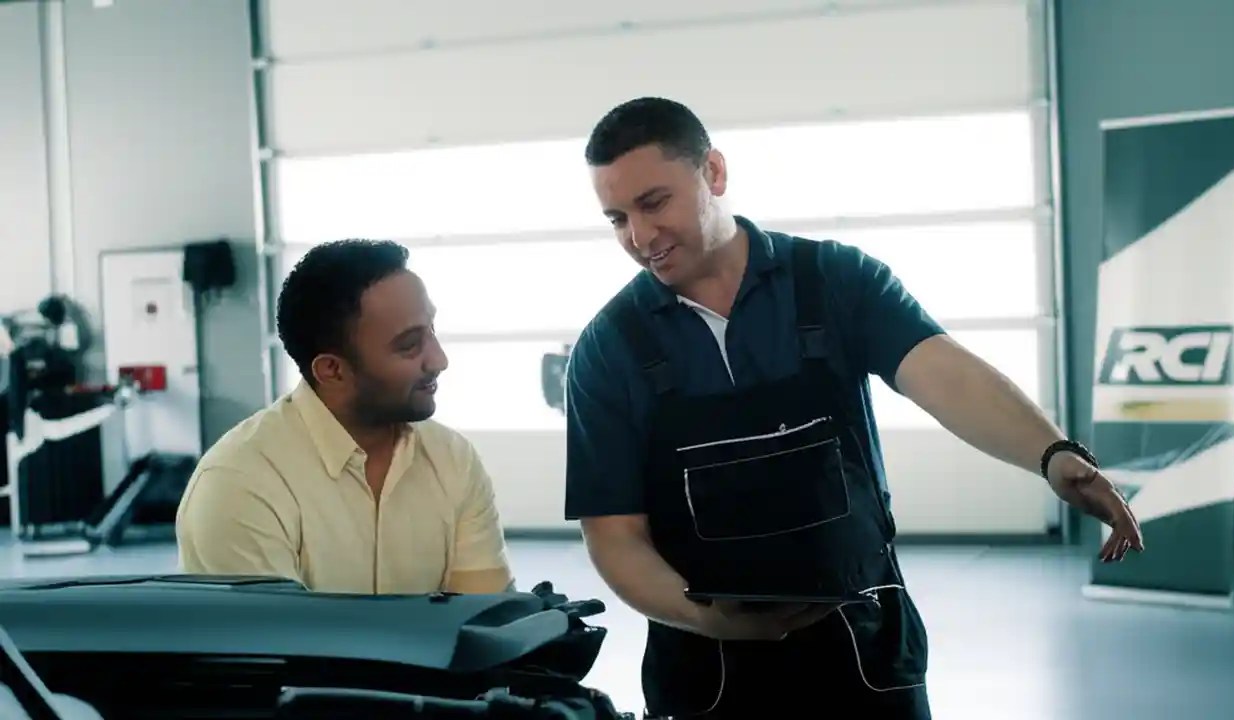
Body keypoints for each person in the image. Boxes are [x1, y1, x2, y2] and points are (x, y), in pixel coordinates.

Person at [563, 97, 1144, 718]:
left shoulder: (833, 280)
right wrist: (709, 619)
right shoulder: (609, 349)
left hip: (864, 652)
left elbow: (946, 374)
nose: (640, 237)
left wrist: (1052, 455)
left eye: (654, 203)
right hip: (709, 672)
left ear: (713, 173)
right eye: (618, 218)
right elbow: (615, 536)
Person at [175, 239, 514, 595]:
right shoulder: (239, 484)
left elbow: (488, 622)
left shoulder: (453, 459)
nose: (439, 360)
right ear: (332, 370)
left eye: (432, 330)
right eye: (409, 345)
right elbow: (275, 645)